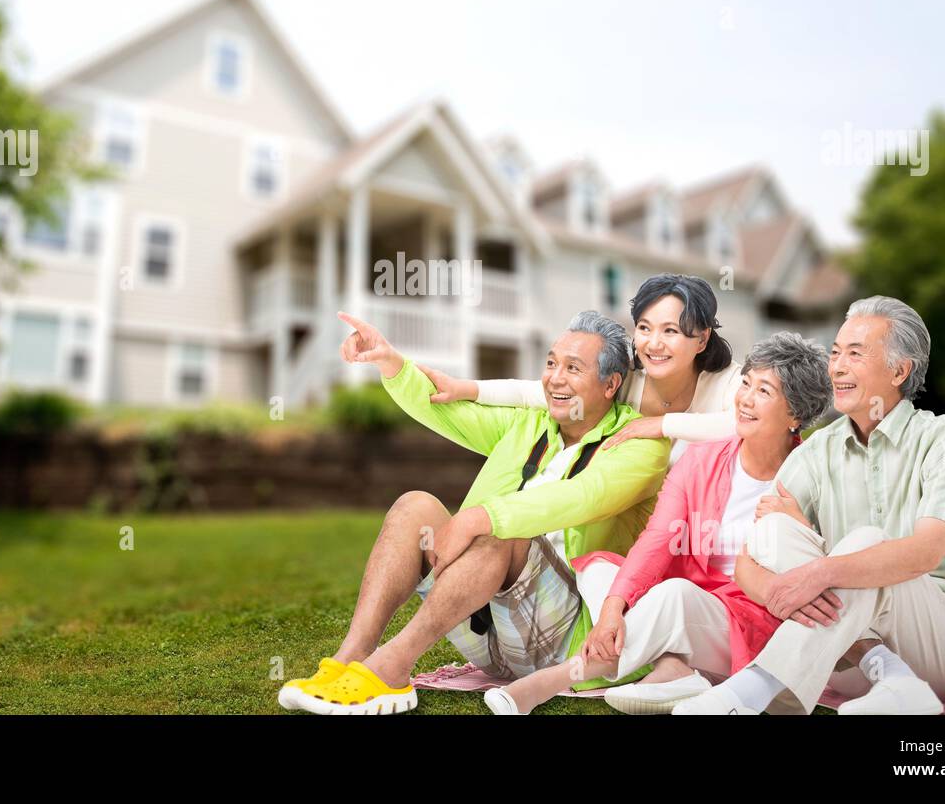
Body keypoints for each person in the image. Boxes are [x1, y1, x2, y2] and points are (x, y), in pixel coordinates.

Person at [279, 309, 670, 715]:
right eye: (551, 363)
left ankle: (392, 667)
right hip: (486, 627)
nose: (555, 378)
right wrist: (390, 362)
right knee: (415, 506)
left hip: (562, 643)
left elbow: (582, 496)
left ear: (611, 384)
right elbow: (444, 409)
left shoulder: (640, 442)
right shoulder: (529, 424)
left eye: (574, 368)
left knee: (508, 529)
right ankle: (351, 658)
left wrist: (478, 517)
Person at [673, 296, 945, 715]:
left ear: (900, 370)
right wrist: (775, 590)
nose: (838, 367)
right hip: (844, 650)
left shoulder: (944, 441)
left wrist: (820, 570)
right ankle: (895, 678)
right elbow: (749, 560)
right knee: (775, 530)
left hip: (943, 650)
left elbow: (926, 551)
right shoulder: (817, 451)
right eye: (835, 352)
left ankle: (752, 691)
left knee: (866, 541)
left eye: (855, 354)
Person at [482, 332, 833, 714]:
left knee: (674, 597)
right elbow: (657, 539)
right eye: (746, 382)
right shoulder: (702, 460)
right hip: (686, 601)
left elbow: (825, 560)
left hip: (752, 620)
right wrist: (614, 609)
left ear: (795, 414)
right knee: (600, 569)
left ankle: (549, 683)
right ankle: (674, 668)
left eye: (765, 391)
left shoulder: (812, 477)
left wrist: (799, 521)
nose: (745, 399)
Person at [420, 273, 742, 466]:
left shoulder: (728, 382)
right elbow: (533, 392)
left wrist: (660, 425)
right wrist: (466, 389)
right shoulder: (624, 381)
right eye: (644, 328)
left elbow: (746, 425)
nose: (653, 344)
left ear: (701, 339)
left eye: (670, 331)